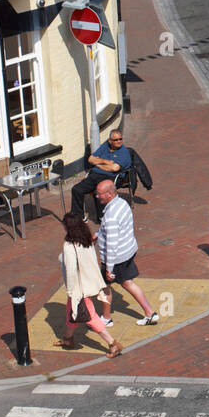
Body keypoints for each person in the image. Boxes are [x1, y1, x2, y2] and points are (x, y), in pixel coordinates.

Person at [96, 178, 159, 327]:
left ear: (109, 194)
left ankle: (106, 318)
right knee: (127, 282)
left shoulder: (111, 215)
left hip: (115, 258)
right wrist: (98, 234)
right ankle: (150, 313)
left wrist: (109, 268)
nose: (96, 196)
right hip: (127, 251)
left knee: (105, 287)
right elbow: (116, 229)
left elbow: (112, 243)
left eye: (99, 194)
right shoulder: (122, 203)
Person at [57, 213, 122, 357]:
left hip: (79, 288)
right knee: (71, 311)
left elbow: (71, 270)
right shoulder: (86, 239)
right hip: (91, 282)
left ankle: (112, 344)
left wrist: (71, 290)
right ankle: (67, 338)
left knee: (90, 317)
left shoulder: (69, 245)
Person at [72, 129, 131, 222]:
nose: (119, 141)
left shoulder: (124, 152)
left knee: (98, 192)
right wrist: (105, 162)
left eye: (120, 139)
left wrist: (98, 164)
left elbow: (115, 168)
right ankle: (79, 216)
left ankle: (102, 217)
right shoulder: (105, 146)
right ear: (110, 141)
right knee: (76, 189)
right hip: (95, 175)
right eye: (116, 140)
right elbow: (91, 159)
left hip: (112, 177)